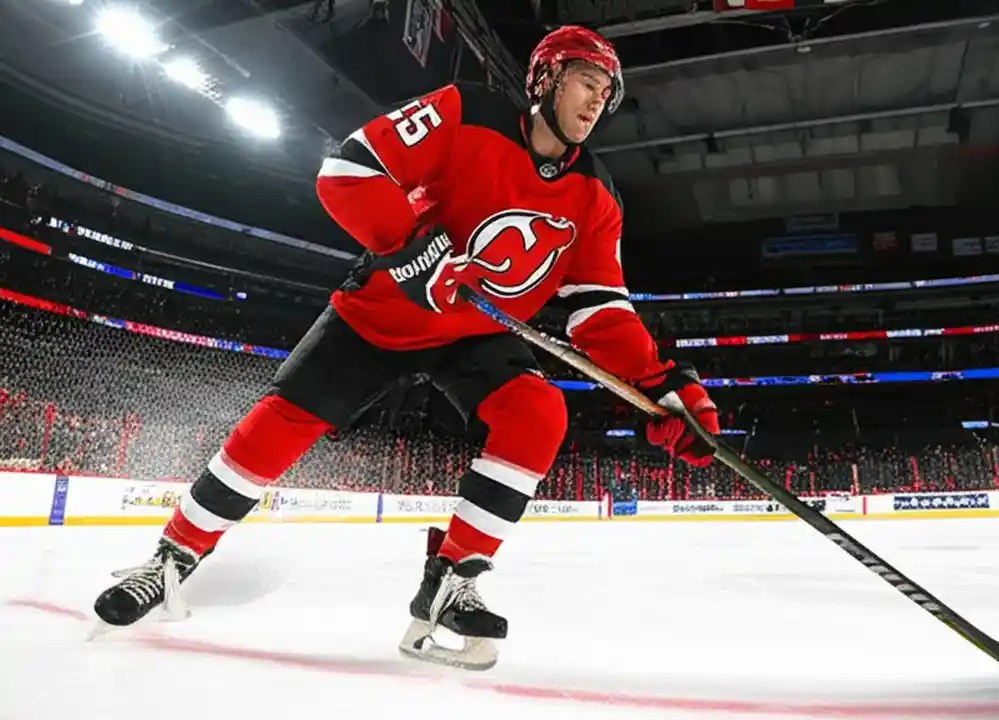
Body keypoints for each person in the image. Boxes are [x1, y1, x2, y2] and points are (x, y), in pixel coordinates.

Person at [92, 26, 720, 670]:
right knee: (280, 424)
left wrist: (663, 385)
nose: (597, 102)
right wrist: (415, 253)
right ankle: (172, 557)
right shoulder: (466, 110)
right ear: (546, 78)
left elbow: (602, 311)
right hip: (385, 313)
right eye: (587, 82)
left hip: (475, 331)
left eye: (607, 92)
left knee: (538, 413)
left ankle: (452, 581)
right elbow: (348, 170)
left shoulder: (596, 194)